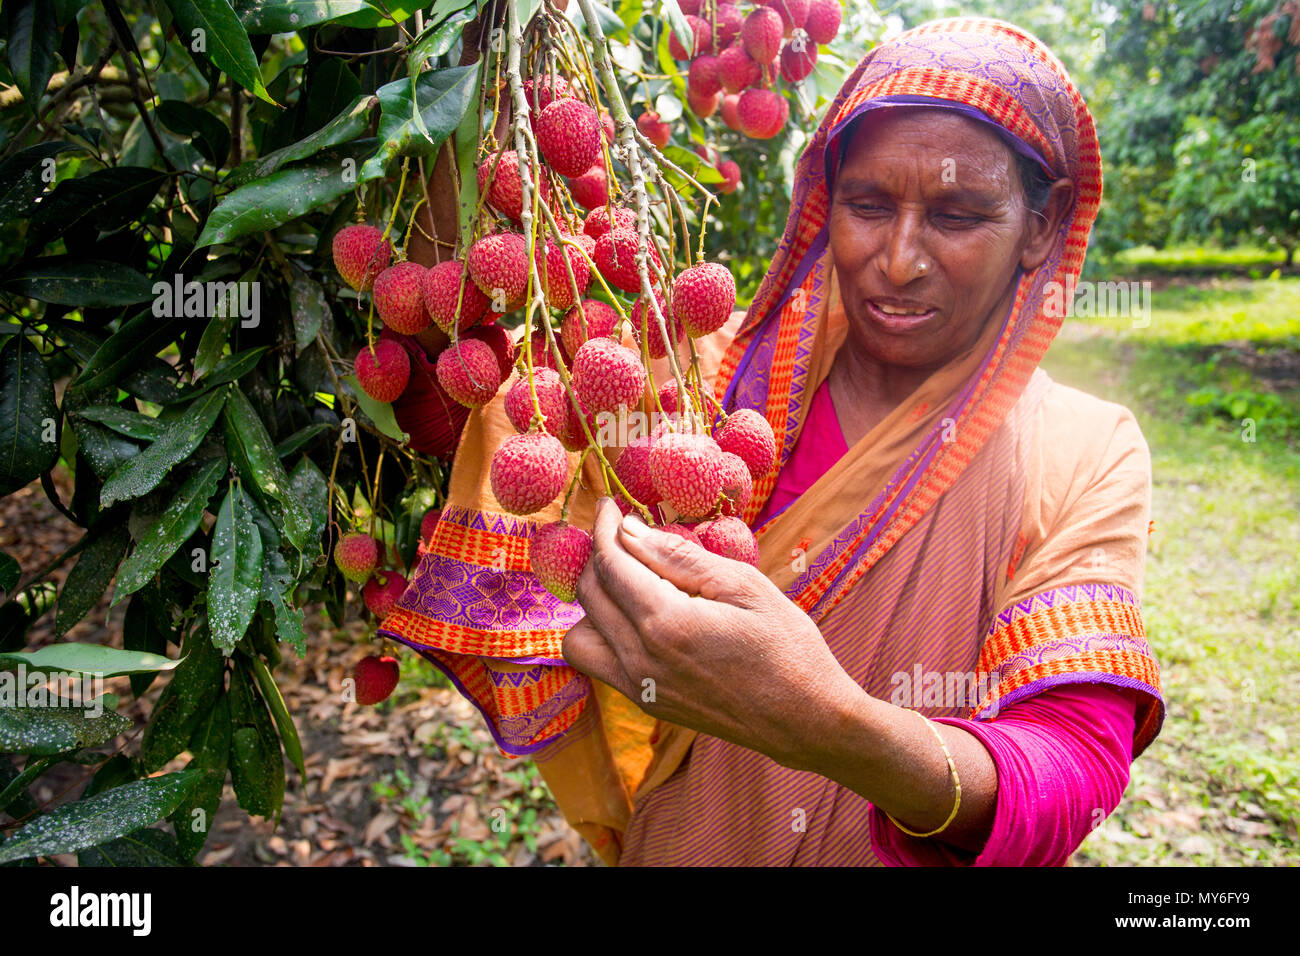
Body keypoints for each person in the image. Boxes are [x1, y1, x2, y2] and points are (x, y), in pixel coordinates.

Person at [381, 16, 1164, 866]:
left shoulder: (1086, 450)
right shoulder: (694, 384)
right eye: (867, 206)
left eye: (958, 215)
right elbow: (446, 376)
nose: (899, 260)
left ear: (1044, 226)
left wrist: (825, 724)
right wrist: (471, 88)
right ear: (828, 199)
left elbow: (1071, 767)